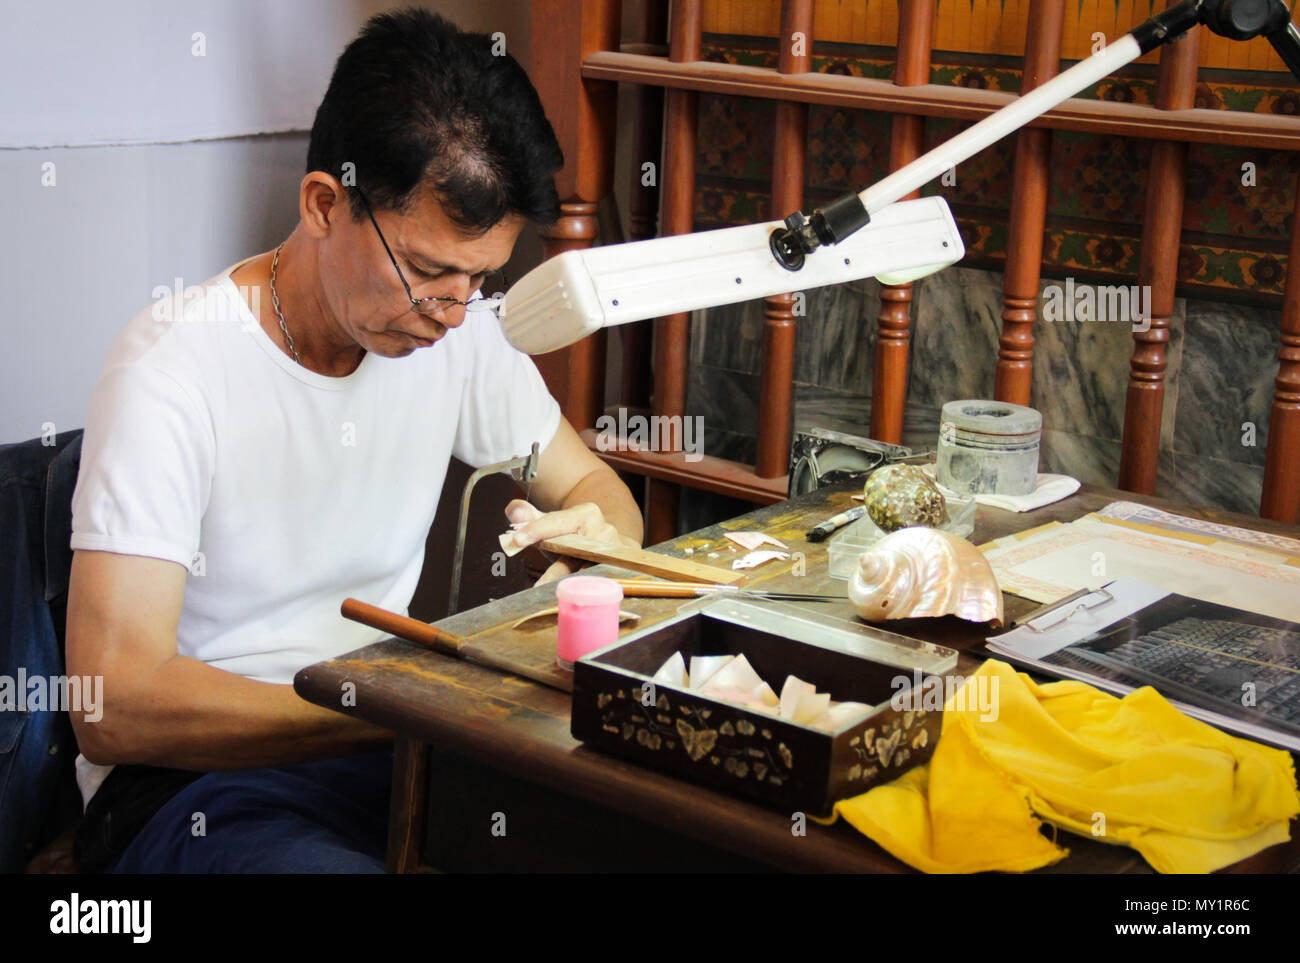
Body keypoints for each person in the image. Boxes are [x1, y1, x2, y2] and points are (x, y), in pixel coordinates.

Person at [64, 8, 642, 873]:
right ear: (325, 203)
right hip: (195, 786)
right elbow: (112, 702)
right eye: (428, 270)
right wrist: (390, 706)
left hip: (388, 745)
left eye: (479, 276)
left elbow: (600, 493)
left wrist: (591, 554)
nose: (451, 312)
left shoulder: (460, 333)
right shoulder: (173, 369)